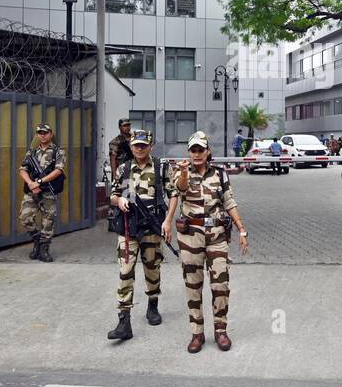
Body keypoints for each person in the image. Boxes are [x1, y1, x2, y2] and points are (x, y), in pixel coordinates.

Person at [163, 131, 249, 353]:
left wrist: (241, 229)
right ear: (189, 152)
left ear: (208, 151)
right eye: (193, 150)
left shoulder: (220, 174)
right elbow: (180, 189)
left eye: (201, 149)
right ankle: (197, 333)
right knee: (193, 285)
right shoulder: (179, 170)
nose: (197, 154)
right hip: (190, 235)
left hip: (217, 234)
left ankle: (220, 330)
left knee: (220, 284)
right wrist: (183, 173)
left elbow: (229, 201)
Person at [106, 129, 167, 341]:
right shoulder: (123, 169)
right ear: (131, 147)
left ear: (151, 146)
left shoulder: (160, 167)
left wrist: (167, 222)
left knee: (152, 268)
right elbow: (113, 195)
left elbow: (174, 193)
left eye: (143, 145)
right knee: (125, 271)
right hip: (128, 228)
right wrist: (119, 201)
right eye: (135, 145)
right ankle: (124, 321)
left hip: (151, 227)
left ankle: (153, 305)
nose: (139, 149)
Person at [17, 123, 67, 262]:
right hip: (32, 190)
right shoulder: (31, 152)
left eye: (45, 132)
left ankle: (44, 249)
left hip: (48, 191)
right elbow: (22, 169)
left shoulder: (58, 152)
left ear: (51, 134)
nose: (43, 135)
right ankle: (37, 239)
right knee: (24, 218)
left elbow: (59, 170)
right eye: (40, 133)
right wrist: (31, 184)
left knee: (48, 221)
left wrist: (40, 182)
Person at [108, 118, 134, 183]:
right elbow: (112, 159)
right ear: (119, 127)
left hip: (135, 171)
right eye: (124, 126)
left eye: (128, 125)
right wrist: (114, 175)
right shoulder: (115, 142)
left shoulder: (135, 139)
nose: (127, 127)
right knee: (124, 191)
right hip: (122, 172)